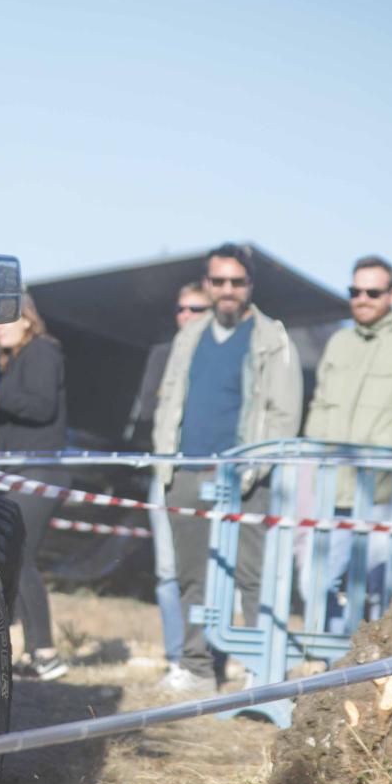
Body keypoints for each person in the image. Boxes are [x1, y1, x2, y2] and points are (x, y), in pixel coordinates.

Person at [152, 244, 303, 687]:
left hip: (245, 480)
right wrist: (168, 464)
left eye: (237, 282)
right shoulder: (190, 334)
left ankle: (263, 670)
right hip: (185, 473)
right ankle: (197, 667)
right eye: (218, 282)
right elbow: (170, 400)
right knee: (191, 577)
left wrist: (250, 469)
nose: (227, 290)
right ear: (207, 285)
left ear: (249, 286)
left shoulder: (272, 337)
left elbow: (283, 415)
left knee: (252, 577)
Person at [297, 256, 392, 625]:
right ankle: (329, 667)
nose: (362, 299)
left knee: (380, 594)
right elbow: (319, 407)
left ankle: (366, 673)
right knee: (315, 584)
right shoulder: (339, 342)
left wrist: (378, 446)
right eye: (355, 291)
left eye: (372, 292)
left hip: (383, 496)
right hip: (332, 493)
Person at [126, 282, 211, 688]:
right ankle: (179, 657)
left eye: (197, 308)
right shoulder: (163, 353)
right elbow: (145, 409)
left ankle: (205, 656)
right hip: (165, 472)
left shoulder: (219, 358)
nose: (187, 316)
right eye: (182, 309)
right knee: (166, 570)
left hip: (210, 477)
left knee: (207, 572)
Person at [0, 294, 69, 680]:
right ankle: (29, 650)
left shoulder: (42, 352)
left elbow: (41, 408)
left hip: (40, 473)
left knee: (19, 556)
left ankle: (46, 653)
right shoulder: (8, 362)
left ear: (28, 319)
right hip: (16, 473)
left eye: (9, 318)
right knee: (10, 558)